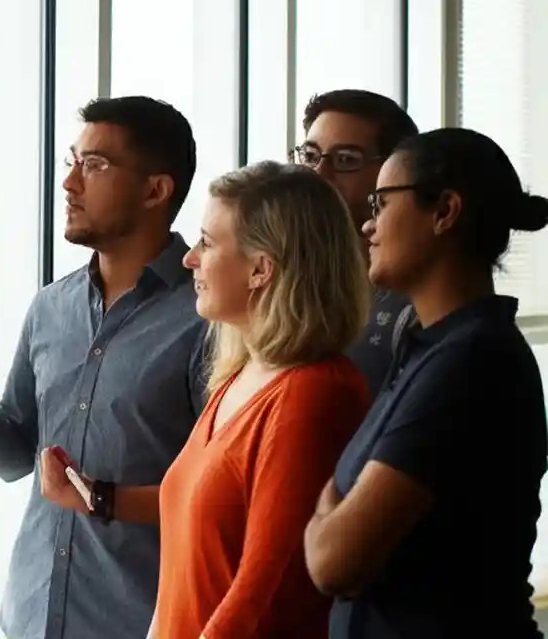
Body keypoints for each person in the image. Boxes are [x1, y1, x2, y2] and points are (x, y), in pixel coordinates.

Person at [0, 96, 206, 639]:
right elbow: (14, 456)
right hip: (31, 615)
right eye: (72, 162)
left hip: (142, 620)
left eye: (94, 165)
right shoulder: (51, 307)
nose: (70, 183)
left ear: (155, 190)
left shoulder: (207, 318)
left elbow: (218, 495)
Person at [41, 162, 371, 637]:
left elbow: (266, 590)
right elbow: (182, 578)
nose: (189, 259)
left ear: (261, 269)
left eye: (207, 243)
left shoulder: (314, 393)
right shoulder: (239, 376)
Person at [304, 128, 548, 637]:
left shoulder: (472, 361)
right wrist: (332, 513)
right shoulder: (426, 346)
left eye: (382, 202)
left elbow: (333, 563)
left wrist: (325, 515)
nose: (369, 224)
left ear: (445, 212)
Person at [293, 89, 421, 392]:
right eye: (310, 156)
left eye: (346, 159)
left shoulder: (415, 305)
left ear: (391, 172)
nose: (319, 175)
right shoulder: (279, 280)